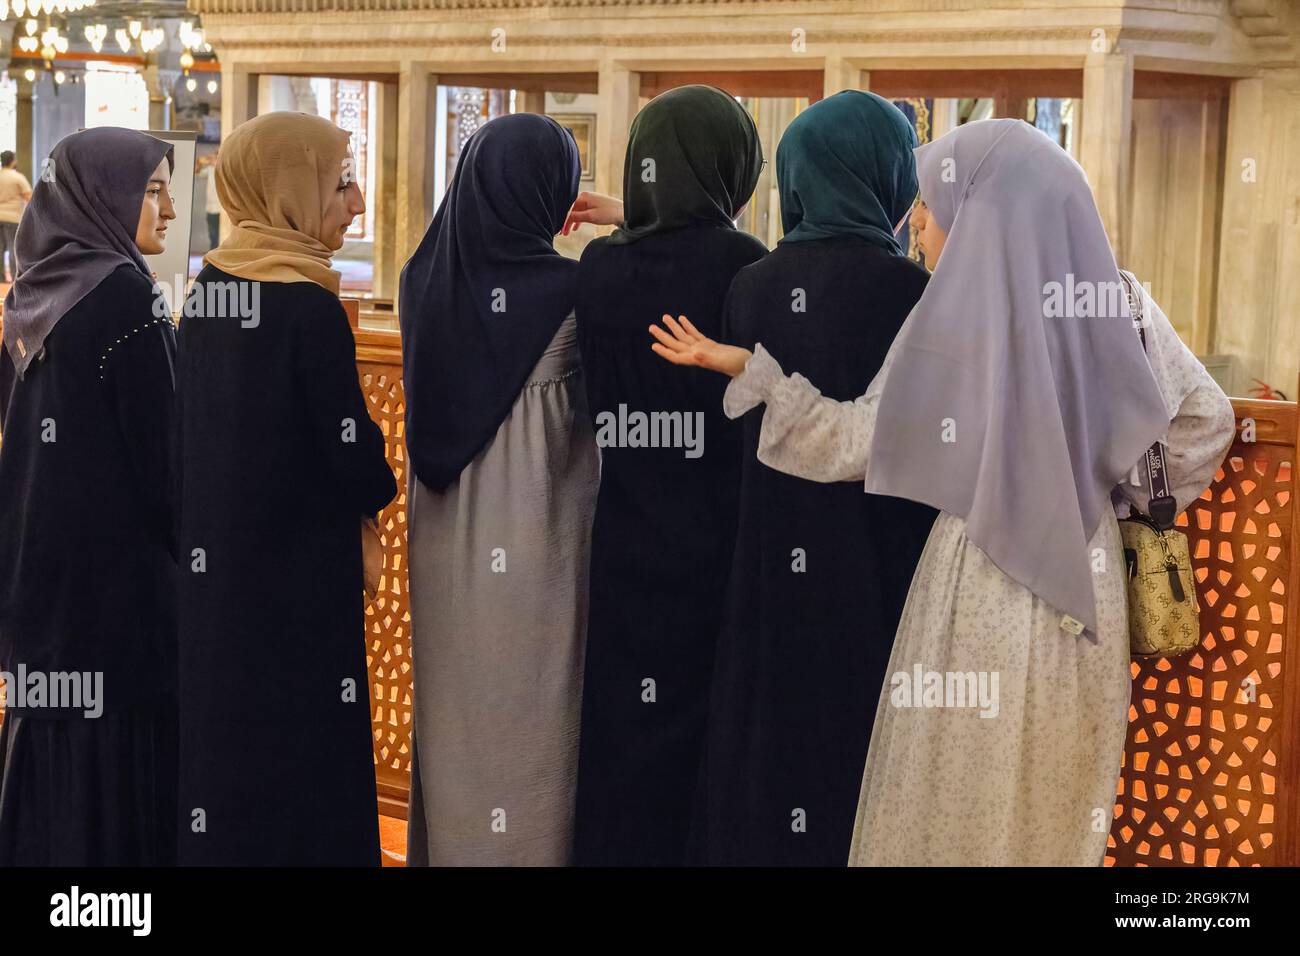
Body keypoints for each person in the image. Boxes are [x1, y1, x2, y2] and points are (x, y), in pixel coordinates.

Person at [650, 118, 1236, 866]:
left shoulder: (955, 321)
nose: (917, 219)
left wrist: (755, 375)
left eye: (934, 203)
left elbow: (856, 440)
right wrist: (1101, 488)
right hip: (1083, 603)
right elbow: (1204, 423)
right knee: (1046, 811)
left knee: (948, 809)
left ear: (985, 210)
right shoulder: (1116, 304)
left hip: (974, 588)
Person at [691, 91, 938, 866]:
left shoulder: (754, 287)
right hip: (882, 560)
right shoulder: (916, 295)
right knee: (864, 738)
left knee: (776, 726)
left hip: (772, 548)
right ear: (889, 176)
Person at [175, 111, 396, 866]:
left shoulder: (207, 294)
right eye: (341, 185)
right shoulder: (307, 309)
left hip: (219, 595)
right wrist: (381, 472)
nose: (357, 203)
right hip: (298, 599)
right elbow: (353, 460)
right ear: (289, 192)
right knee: (306, 784)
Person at [572, 84, 766, 866]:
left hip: (622, 527)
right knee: (703, 730)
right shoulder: (746, 268)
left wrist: (630, 216)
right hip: (719, 535)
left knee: (624, 724)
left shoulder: (594, 268)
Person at [398, 113, 599, 866]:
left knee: (457, 712)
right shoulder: (569, 290)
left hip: (444, 533)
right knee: (533, 710)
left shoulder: (424, 277)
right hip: (537, 528)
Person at [0, 128, 177, 865]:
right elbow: (167, 463)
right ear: (106, 195)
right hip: (115, 599)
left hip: (39, 589)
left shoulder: (35, 291)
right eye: (155, 188)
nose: (169, 209)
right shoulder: (126, 296)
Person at [0, 150, 33, 282]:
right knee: (14, 249)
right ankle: (15, 280)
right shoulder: (17, 177)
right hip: (12, 218)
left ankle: (0, 280)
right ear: (13, 161)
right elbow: (29, 197)